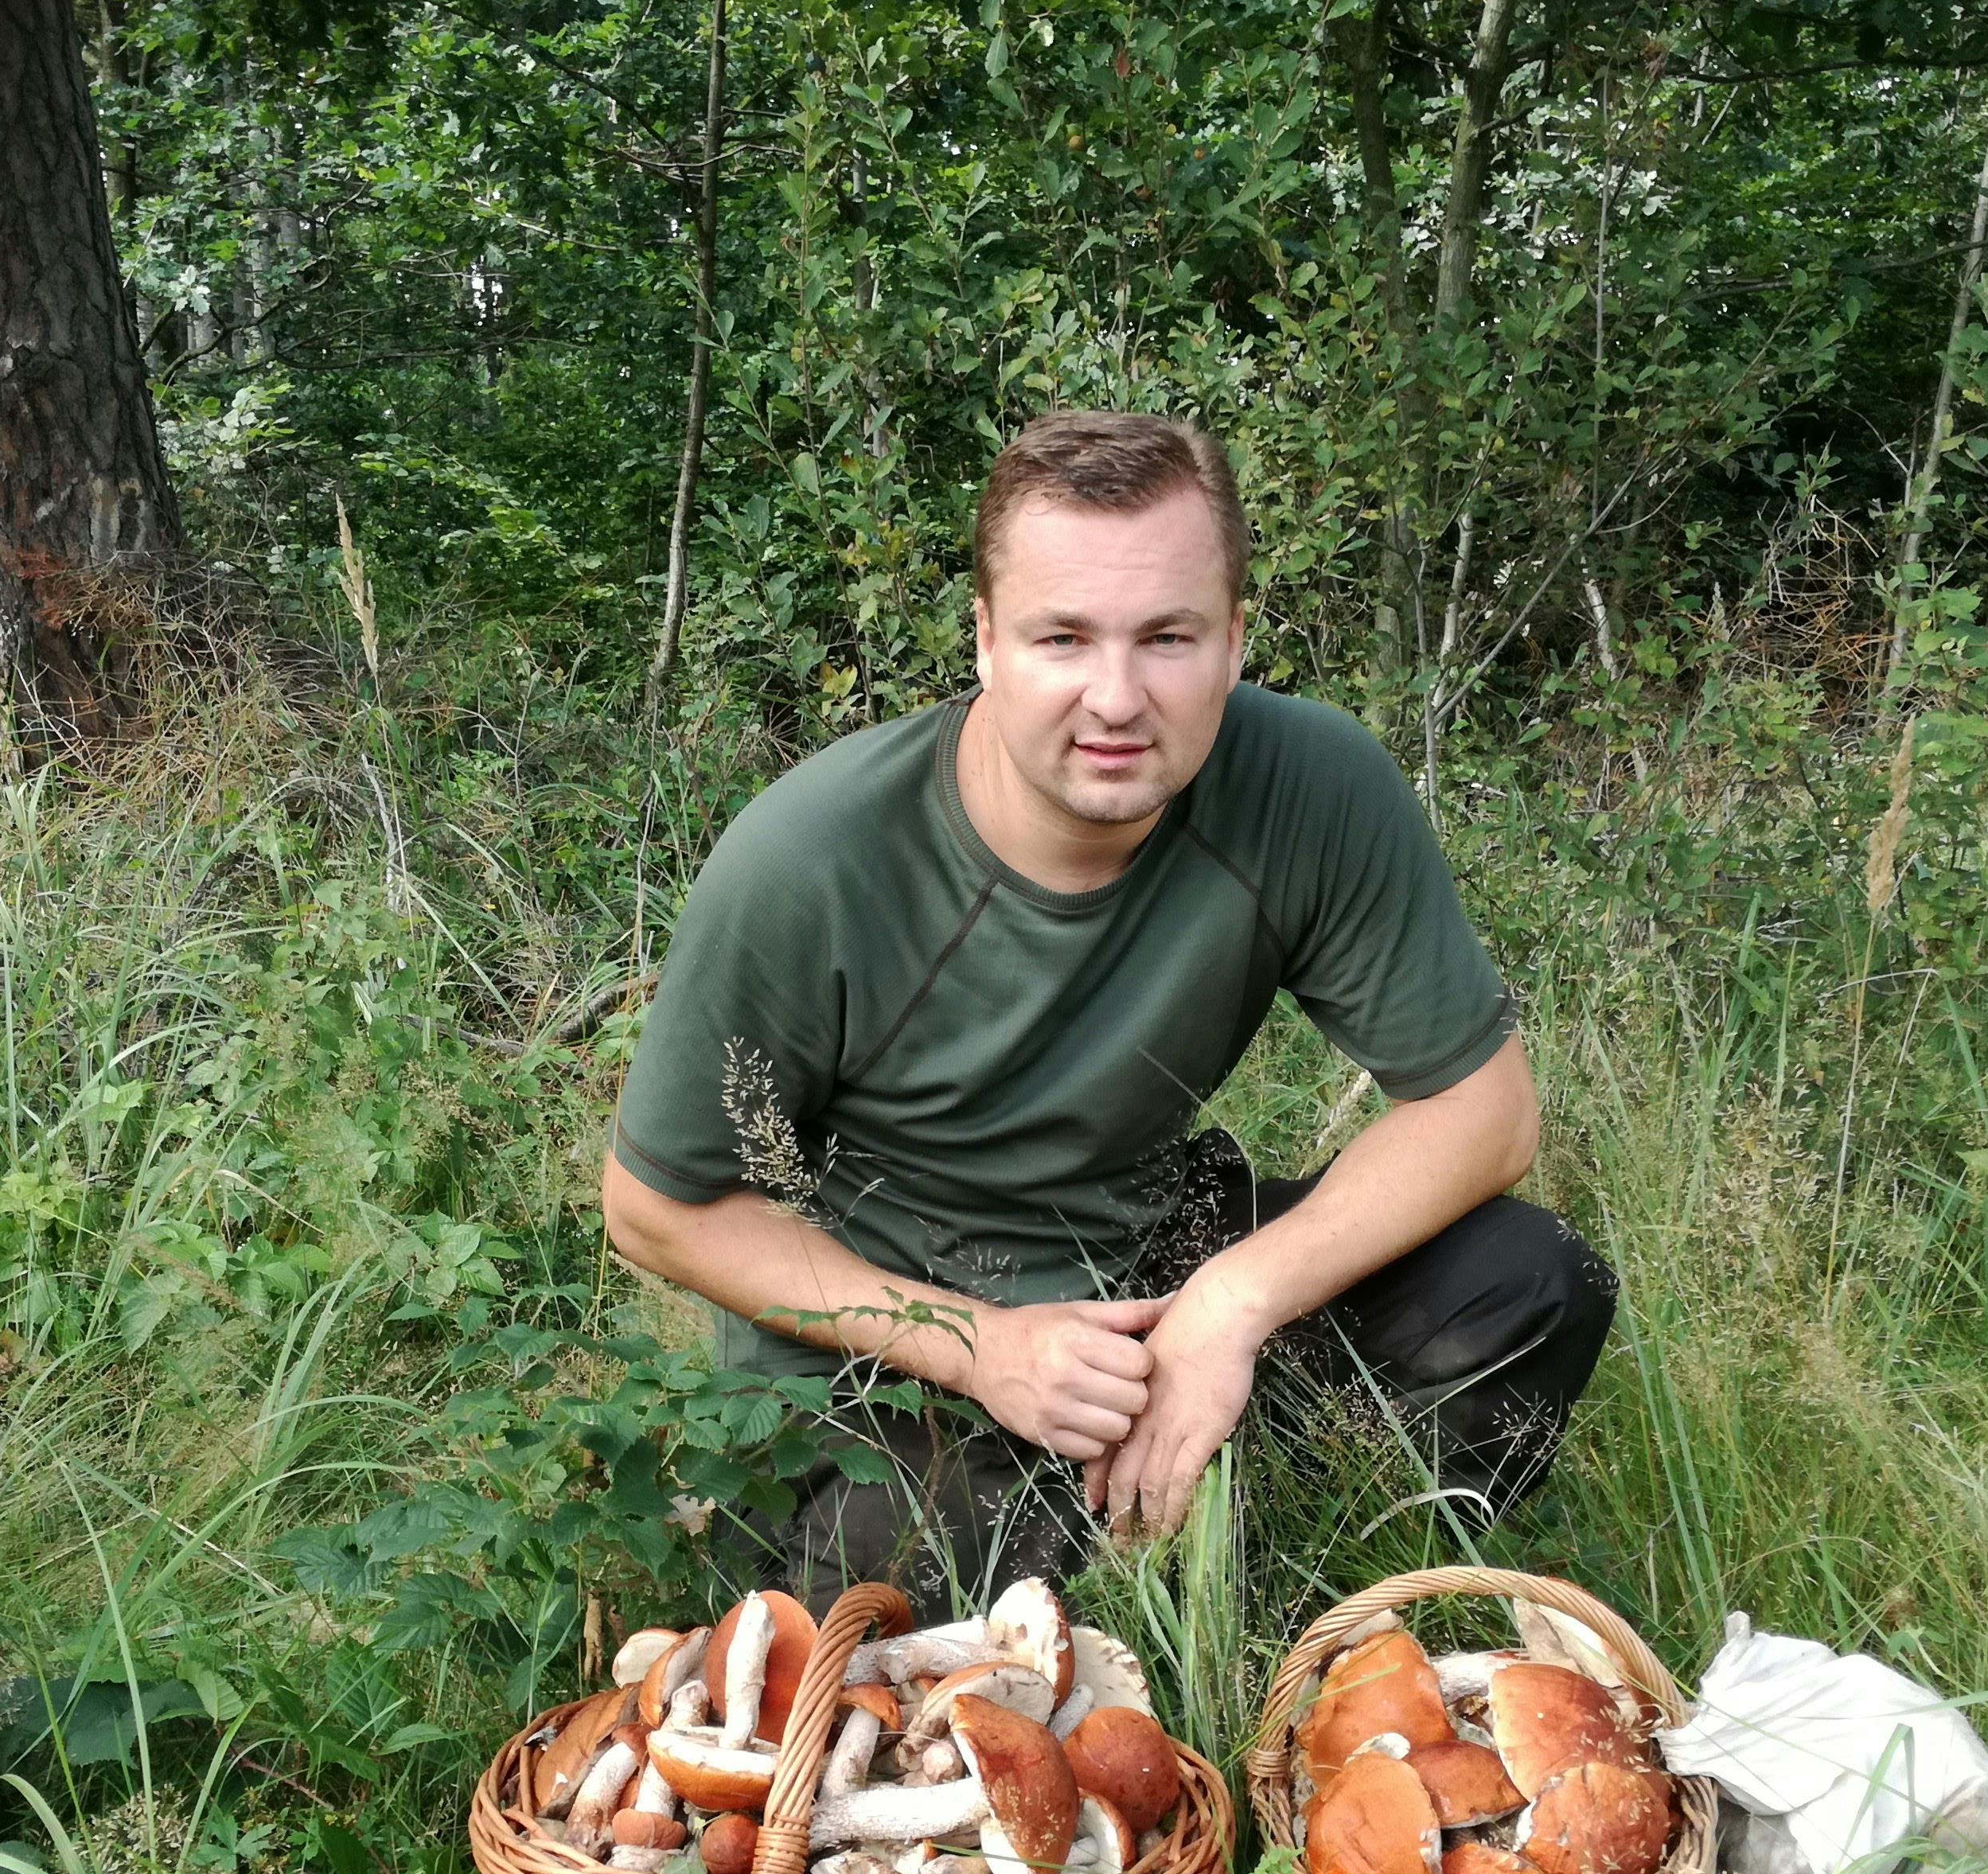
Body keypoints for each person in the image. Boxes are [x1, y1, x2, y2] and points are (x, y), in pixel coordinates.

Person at [602, 411, 1612, 1605]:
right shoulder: (812, 858)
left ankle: (1287, 1573)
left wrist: (1230, 1307)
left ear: (1237, 640)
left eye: (1169, 636)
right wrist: (984, 1350)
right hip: (886, 1353)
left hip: (1152, 1267)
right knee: (947, 1574)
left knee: (1528, 1283)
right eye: (1063, 638)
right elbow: (657, 1211)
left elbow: (1483, 1112)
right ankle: (1136, 1562)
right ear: (985, 642)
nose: (1118, 698)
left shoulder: (1314, 785)